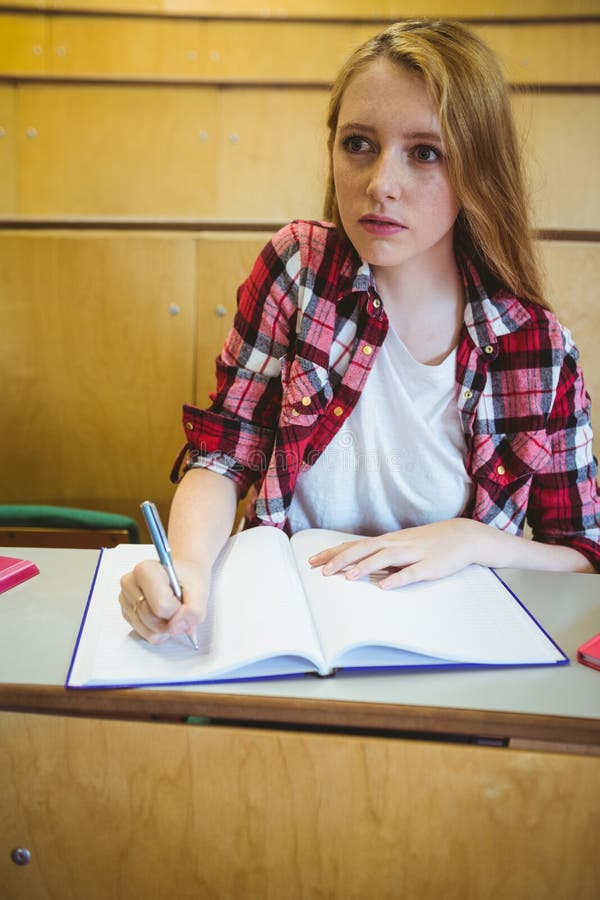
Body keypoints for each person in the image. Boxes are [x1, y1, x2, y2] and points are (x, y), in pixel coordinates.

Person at [119, 18, 600, 644]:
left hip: (451, 640)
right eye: (359, 144)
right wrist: (185, 566)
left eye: (425, 153)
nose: (380, 185)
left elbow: (583, 555)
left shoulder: (537, 347)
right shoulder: (298, 269)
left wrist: (474, 541)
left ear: (477, 171)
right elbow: (225, 451)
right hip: (289, 618)